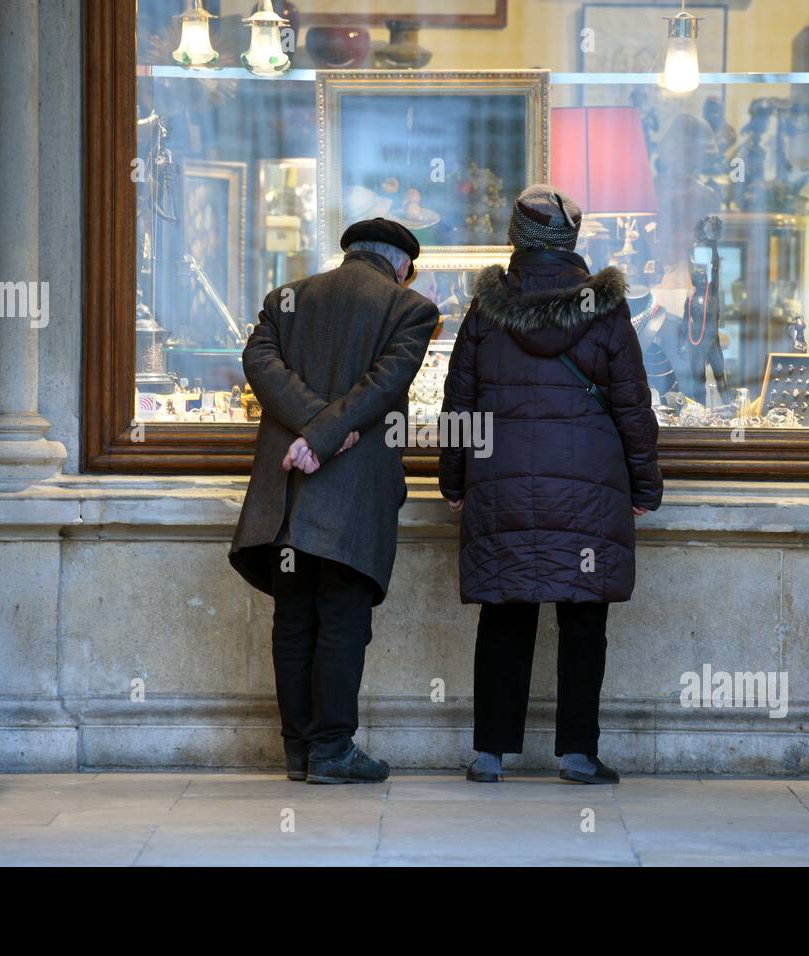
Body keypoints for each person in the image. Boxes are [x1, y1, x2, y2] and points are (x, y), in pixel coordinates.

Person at [439, 185, 664, 785]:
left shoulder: (486, 308)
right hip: (588, 488)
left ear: (515, 238)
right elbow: (632, 407)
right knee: (583, 618)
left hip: (502, 484)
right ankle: (578, 755)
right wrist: (646, 487)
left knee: (505, 613)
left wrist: (454, 482)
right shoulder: (606, 309)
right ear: (571, 240)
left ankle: (490, 753)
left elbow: (458, 403)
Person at [230, 219, 439, 784]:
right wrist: (326, 435)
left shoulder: (287, 299)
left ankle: (298, 750)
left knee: (294, 620)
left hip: (285, 495)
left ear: (347, 254)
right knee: (343, 622)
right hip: (351, 493)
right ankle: (332, 749)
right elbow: (383, 386)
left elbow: (260, 366)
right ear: (402, 265)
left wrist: (306, 435)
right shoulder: (411, 308)